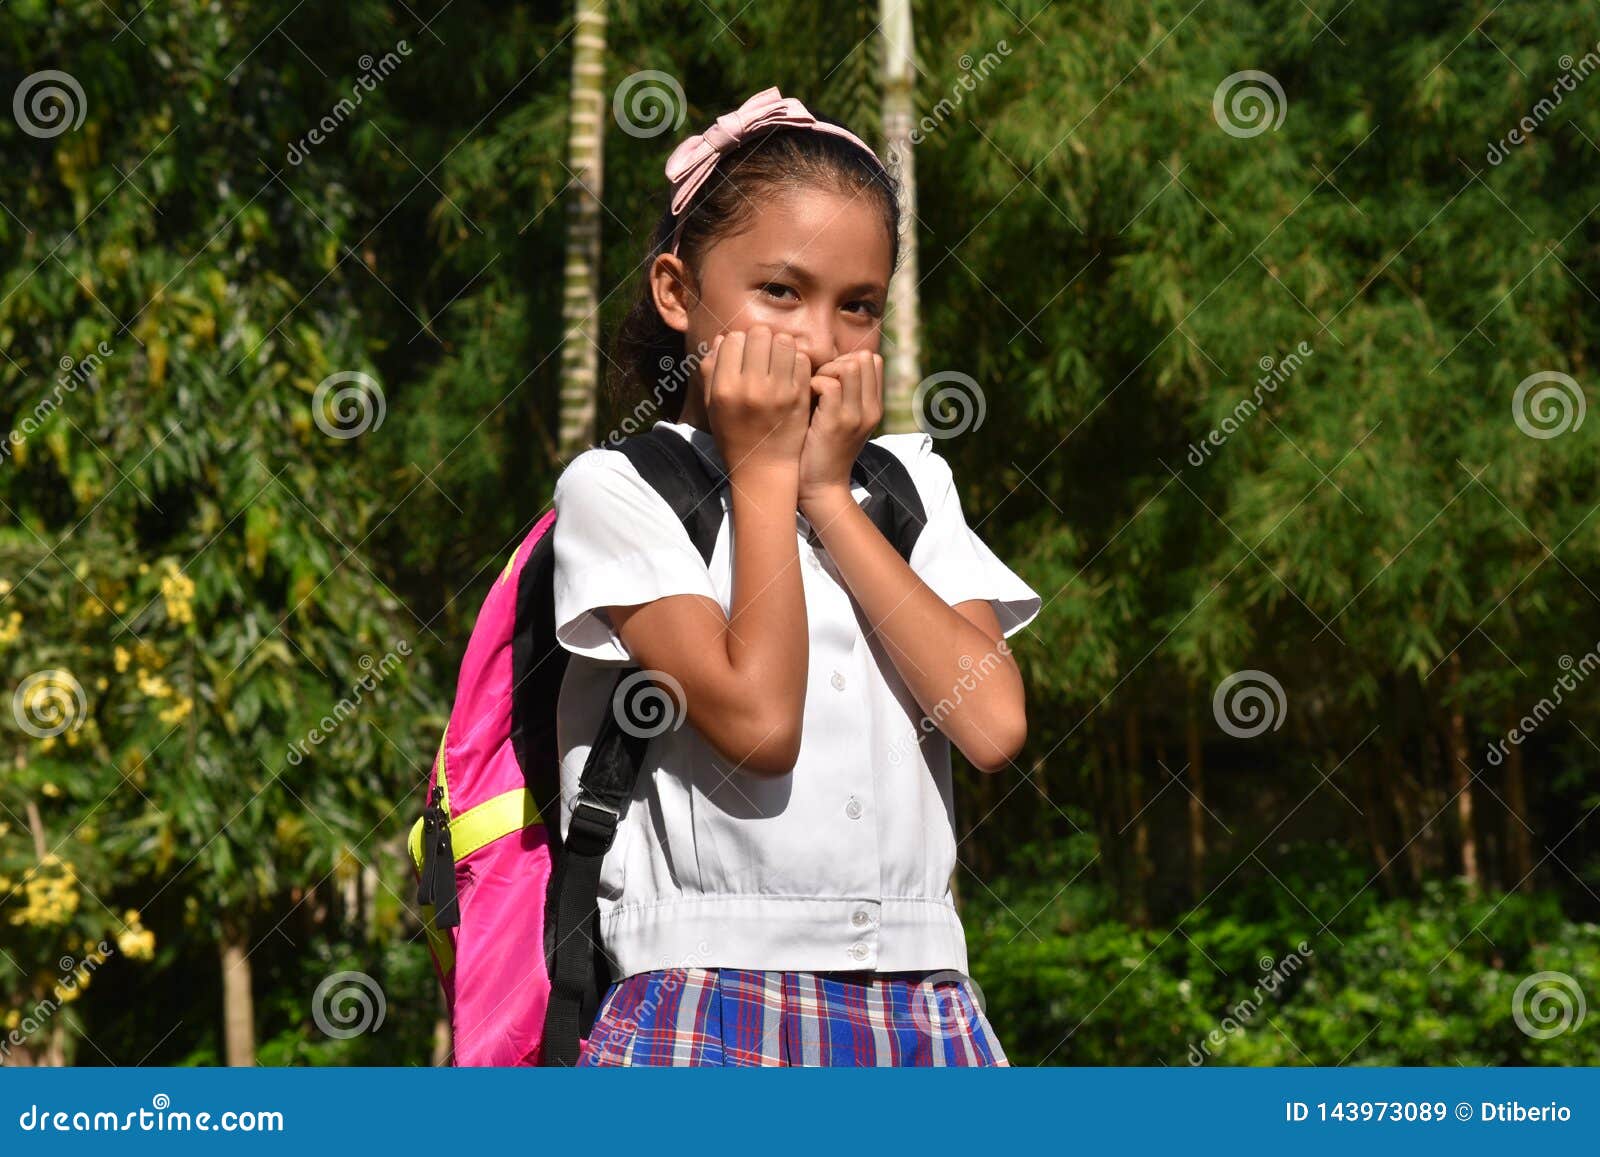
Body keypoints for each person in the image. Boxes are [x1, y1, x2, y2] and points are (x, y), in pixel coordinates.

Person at [551, 86, 1041, 1066]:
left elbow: (990, 725)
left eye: (856, 305)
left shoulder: (909, 484)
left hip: (926, 996)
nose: (820, 338)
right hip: (705, 994)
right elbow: (758, 729)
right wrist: (767, 474)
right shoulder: (623, 487)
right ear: (677, 291)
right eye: (780, 291)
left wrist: (828, 498)